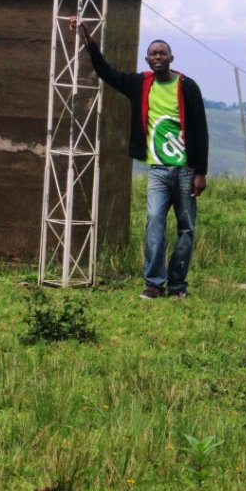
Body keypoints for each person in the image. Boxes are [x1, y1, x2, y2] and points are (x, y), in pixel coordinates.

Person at [71, 18, 208, 299]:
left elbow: (201, 129)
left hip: (185, 170)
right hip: (157, 170)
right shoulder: (139, 84)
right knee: (154, 223)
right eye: (153, 53)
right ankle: (154, 283)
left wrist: (200, 171)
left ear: (171, 58)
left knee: (186, 228)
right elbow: (106, 72)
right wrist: (88, 40)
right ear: (147, 60)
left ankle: (178, 284)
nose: (158, 57)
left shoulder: (187, 87)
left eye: (162, 53)